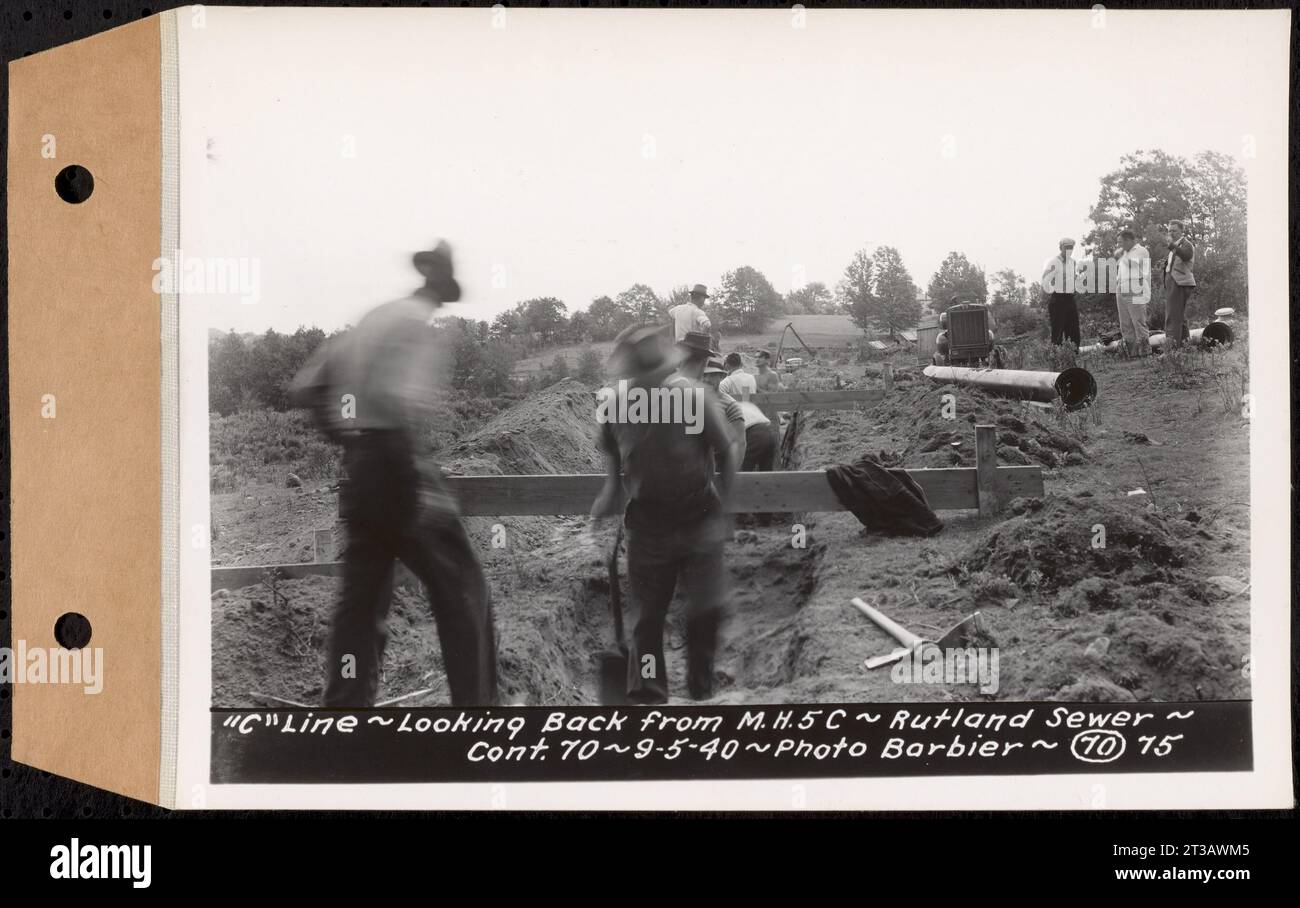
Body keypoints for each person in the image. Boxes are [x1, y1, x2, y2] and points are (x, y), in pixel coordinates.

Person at [290, 241, 498, 707]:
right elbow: (393, 396)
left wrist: (353, 444)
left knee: (362, 597)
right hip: (397, 464)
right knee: (464, 585)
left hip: (363, 467)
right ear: (440, 291)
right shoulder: (413, 325)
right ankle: (480, 714)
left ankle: (346, 710)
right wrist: (416, 476)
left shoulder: (375, 317)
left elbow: (310, 384)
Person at [591, 329, 736, 704]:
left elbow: (724, 450)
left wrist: (727, 505)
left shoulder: (693, 397)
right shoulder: (616, 406)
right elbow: (612, 452)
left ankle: (701, 690)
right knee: (648, 619)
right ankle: (652, 696)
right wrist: (610, 491)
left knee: (705, 610)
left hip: (699, 515)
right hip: (648, 525)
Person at [1114, 228, 1152, 356]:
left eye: (1121, 242)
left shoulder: (1141, 250)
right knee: (1125, 323)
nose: (1119, 245)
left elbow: (1134, 265)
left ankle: (1145, 352)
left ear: (1129, 240)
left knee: (1138, 321)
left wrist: (1121, 256)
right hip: (1121, 286)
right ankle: (1132, 353)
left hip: (1135, 286)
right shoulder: (1125, 252)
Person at [1041, 237, 1083, 347]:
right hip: (1058, 299)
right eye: (1066, 247)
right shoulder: (1054, 262)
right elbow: (1045, 279)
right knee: (1058, 331)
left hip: (1070, 299)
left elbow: (1074, 278)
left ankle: (1073, 357)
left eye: (1071, 247)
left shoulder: (1073, 263)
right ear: (1061, 248)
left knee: (1074, 330)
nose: (1069, 249)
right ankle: (1057, 359)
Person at [1162, 219, 1196, 349]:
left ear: (1182, 231)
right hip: (1174, 283)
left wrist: (1173, 246)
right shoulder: (1175, 246)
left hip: (1180, 283)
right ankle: (1185, 347)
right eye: (1169, 230)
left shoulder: (1186, 244)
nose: (1171, 233)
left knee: (1172, 317)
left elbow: (1186, 256)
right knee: (1180, 317)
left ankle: (1170, 351)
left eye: (1174, 230)